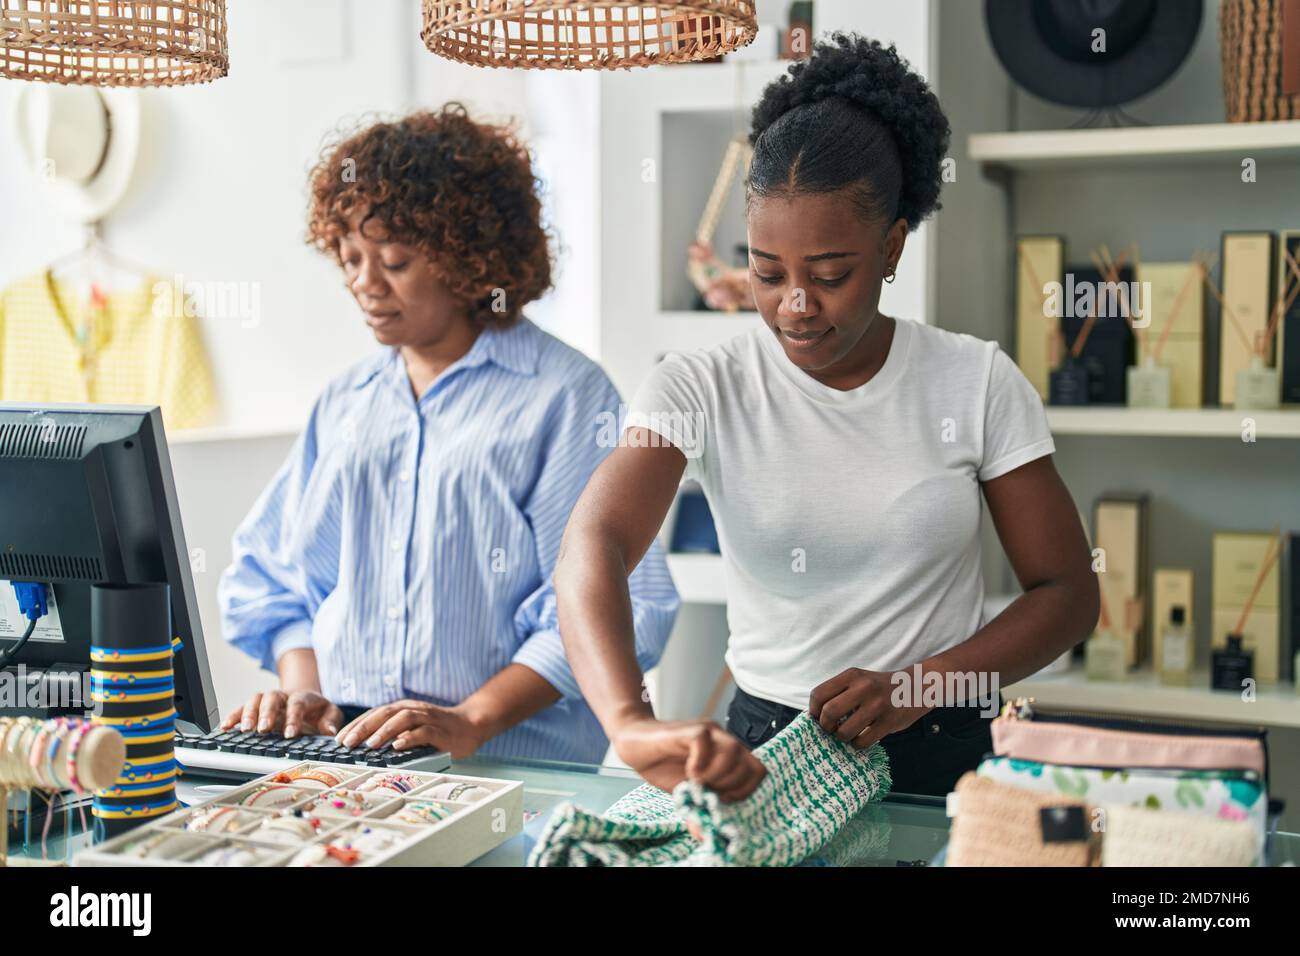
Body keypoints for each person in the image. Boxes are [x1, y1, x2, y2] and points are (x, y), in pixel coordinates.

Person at [553, 35, 1099, 801]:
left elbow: (1068, 594)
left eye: (830, 275)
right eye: (766, 274)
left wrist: (920, 687)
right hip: (764, 753)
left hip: (940, 752)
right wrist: (627, 718)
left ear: (891, 248)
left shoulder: (975, 381)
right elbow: (594, 541)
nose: (796, 305)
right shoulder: (698, 386)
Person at [218, 105, 679, 763]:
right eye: (349, 257)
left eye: (396, 261)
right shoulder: (346, 402)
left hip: (511, 769)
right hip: (352, 758)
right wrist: (305, 689)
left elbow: (628, 602)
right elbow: (271, 577)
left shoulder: (564, 396)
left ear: (468, 258)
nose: (364, 284)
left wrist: (471, 719)